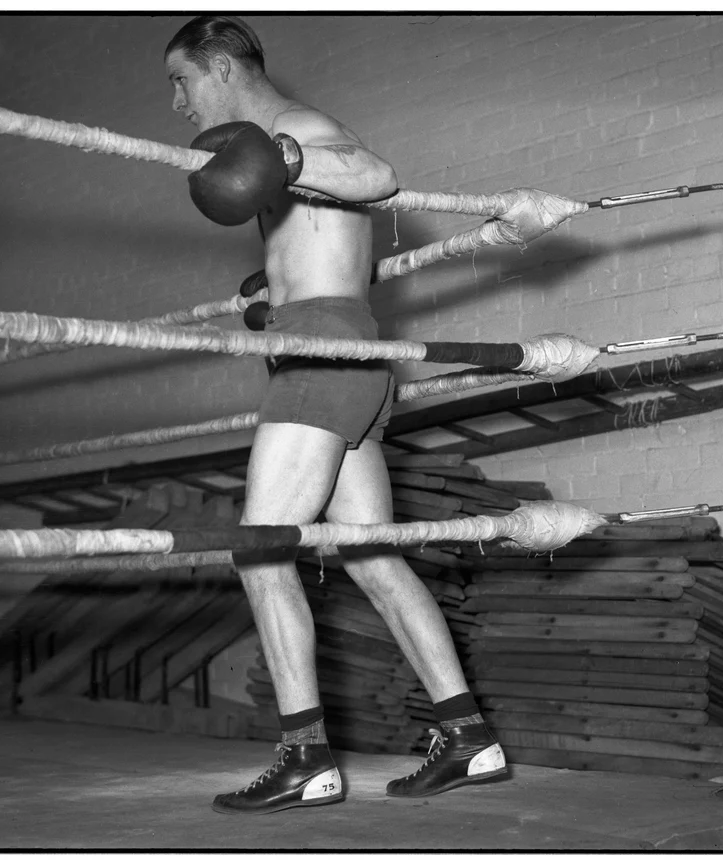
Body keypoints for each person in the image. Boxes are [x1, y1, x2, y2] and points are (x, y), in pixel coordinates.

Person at [165, 15, 506, 816]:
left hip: (323, 348)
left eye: (181, 80)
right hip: (338, 342)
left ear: (219, 68)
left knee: (259, 551)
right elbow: (323, 241)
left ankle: (304, 753)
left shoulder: (295, 129)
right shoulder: (272, 140)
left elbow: (377, 173)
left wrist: (284, 160)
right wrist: (269, 291)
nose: (177, 103)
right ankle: (467, 735)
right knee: (372, 554)